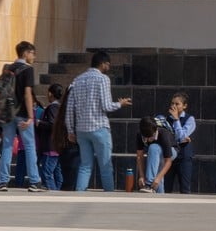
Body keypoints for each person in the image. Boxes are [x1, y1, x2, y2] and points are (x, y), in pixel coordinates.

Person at [63, 49, 132, 192]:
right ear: (102, 63)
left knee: (85, 166)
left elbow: (70, 108)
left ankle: (79, 194)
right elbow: (106, 106)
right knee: (105, 166)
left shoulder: (77, 80)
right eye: (108, 64)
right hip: (99, 128)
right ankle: (109, 195)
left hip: (81, 130)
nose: (109, 67)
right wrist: (120, 104)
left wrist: (70, 130)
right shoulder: (103, 79)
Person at [0, 41, 43, 192]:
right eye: (32, 53)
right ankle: (34, 181)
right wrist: (30, 116)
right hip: (22, 113)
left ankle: (2, 181)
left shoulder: (8, 68)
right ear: (25, 53)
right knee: (29, 146)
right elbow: (27, 93)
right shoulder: (28, 69)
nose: (34, 57)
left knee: (7, 146)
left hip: (8, 114)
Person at [135, 115, 177, 194]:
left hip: (172, 150)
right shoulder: (140, 134)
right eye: (145, 138)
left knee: (153, 147)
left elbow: (168, 161)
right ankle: (159, 195)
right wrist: (141, 176)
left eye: (151, 137)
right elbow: (139, 156)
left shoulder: (163, 134)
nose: (148, 140)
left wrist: (158, 178)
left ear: (155, 131)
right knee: (158, 169)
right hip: (155, 153)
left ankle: (148, 184)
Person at [165, 91, 197, 193]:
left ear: (184, 106)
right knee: (166, 187)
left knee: (185, 188)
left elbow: (181, 136)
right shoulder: (166, 119)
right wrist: (180, 138)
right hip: (169, 155)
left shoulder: (190, 119)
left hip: (184, 156)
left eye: (177, 104)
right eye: (172, 103)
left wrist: (176, 120)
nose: (173, 106)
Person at [36, 83, 64, 191]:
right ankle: (57, 191)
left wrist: (40, 123)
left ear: (50, 94)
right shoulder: (60, 107)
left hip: (50, 146)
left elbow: (52, 125)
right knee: (57, 173)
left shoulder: (52, 107)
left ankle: (53, 193)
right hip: (56, 145)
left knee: (46, 173)